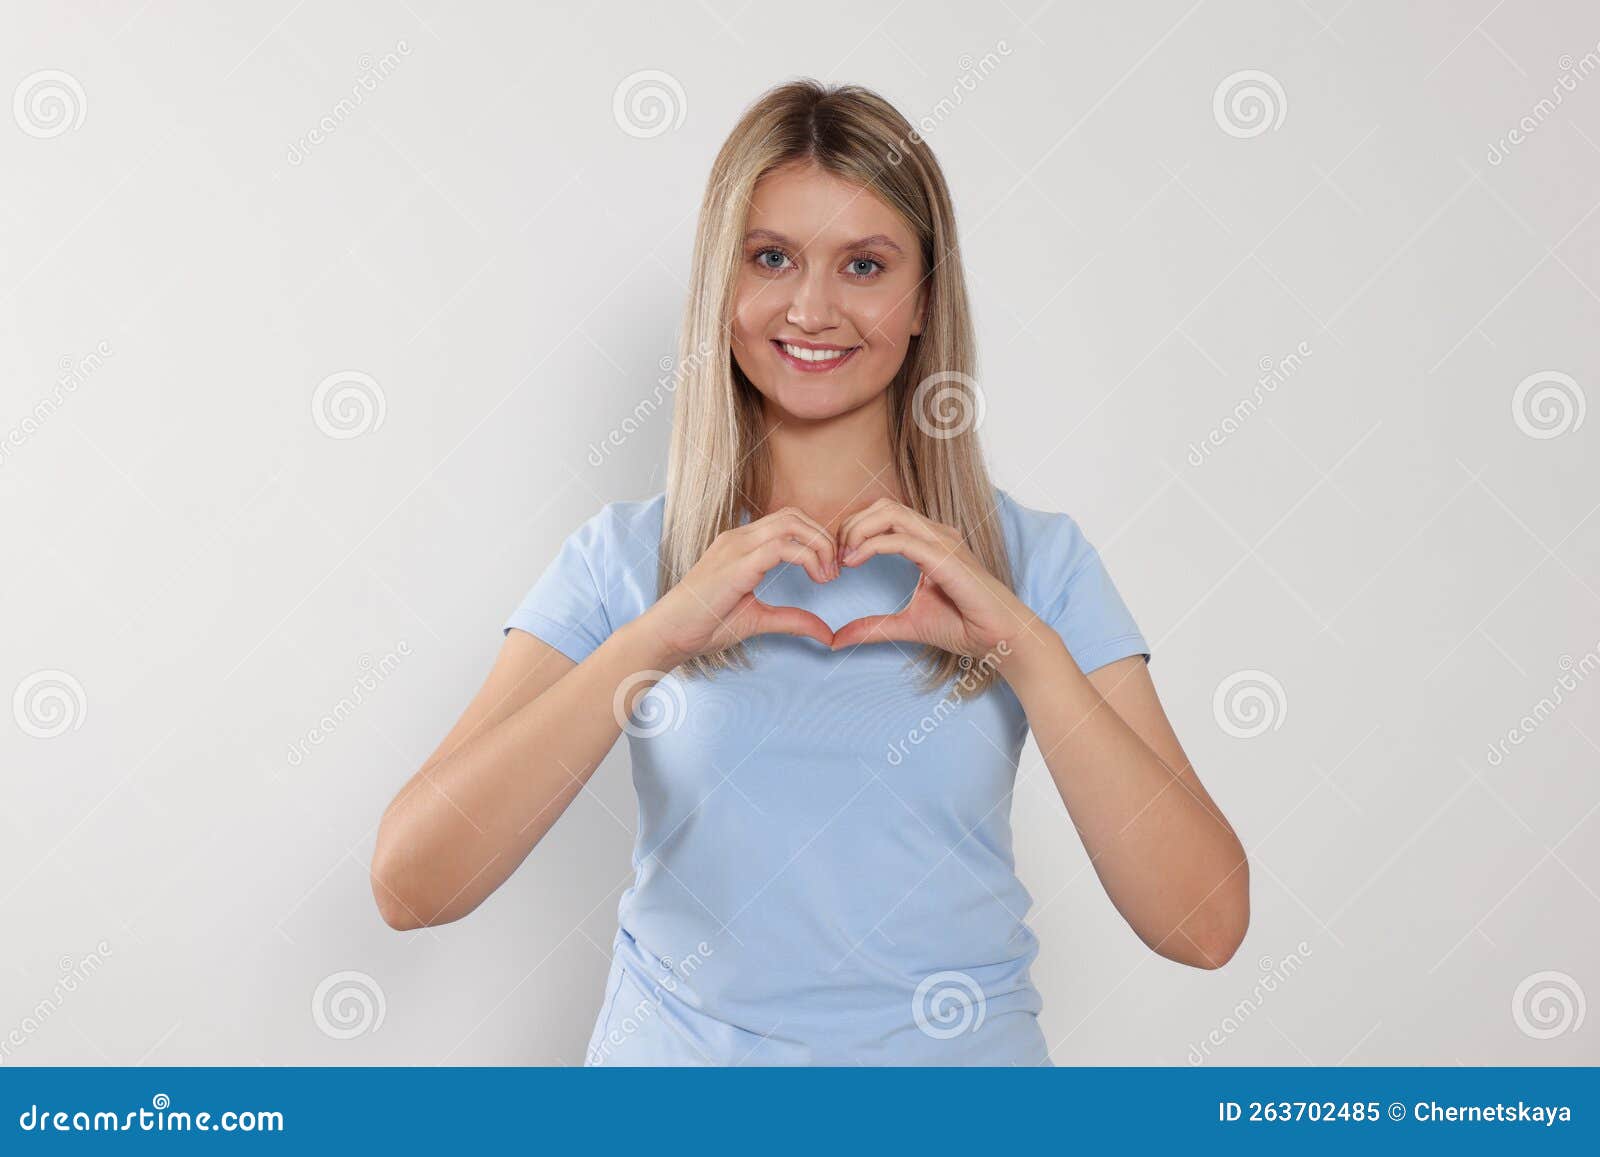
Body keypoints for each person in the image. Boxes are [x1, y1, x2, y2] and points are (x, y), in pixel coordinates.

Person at [370, 79, 1249, 1066]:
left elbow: (1204, 923)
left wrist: (1024, 651)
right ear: (722, 284)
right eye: (771, 257)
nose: (812, 307)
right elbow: (413, 885)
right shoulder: (628, 560)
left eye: (864, 265)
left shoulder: (1033, 564)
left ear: (922, 299)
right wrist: (655, 636)